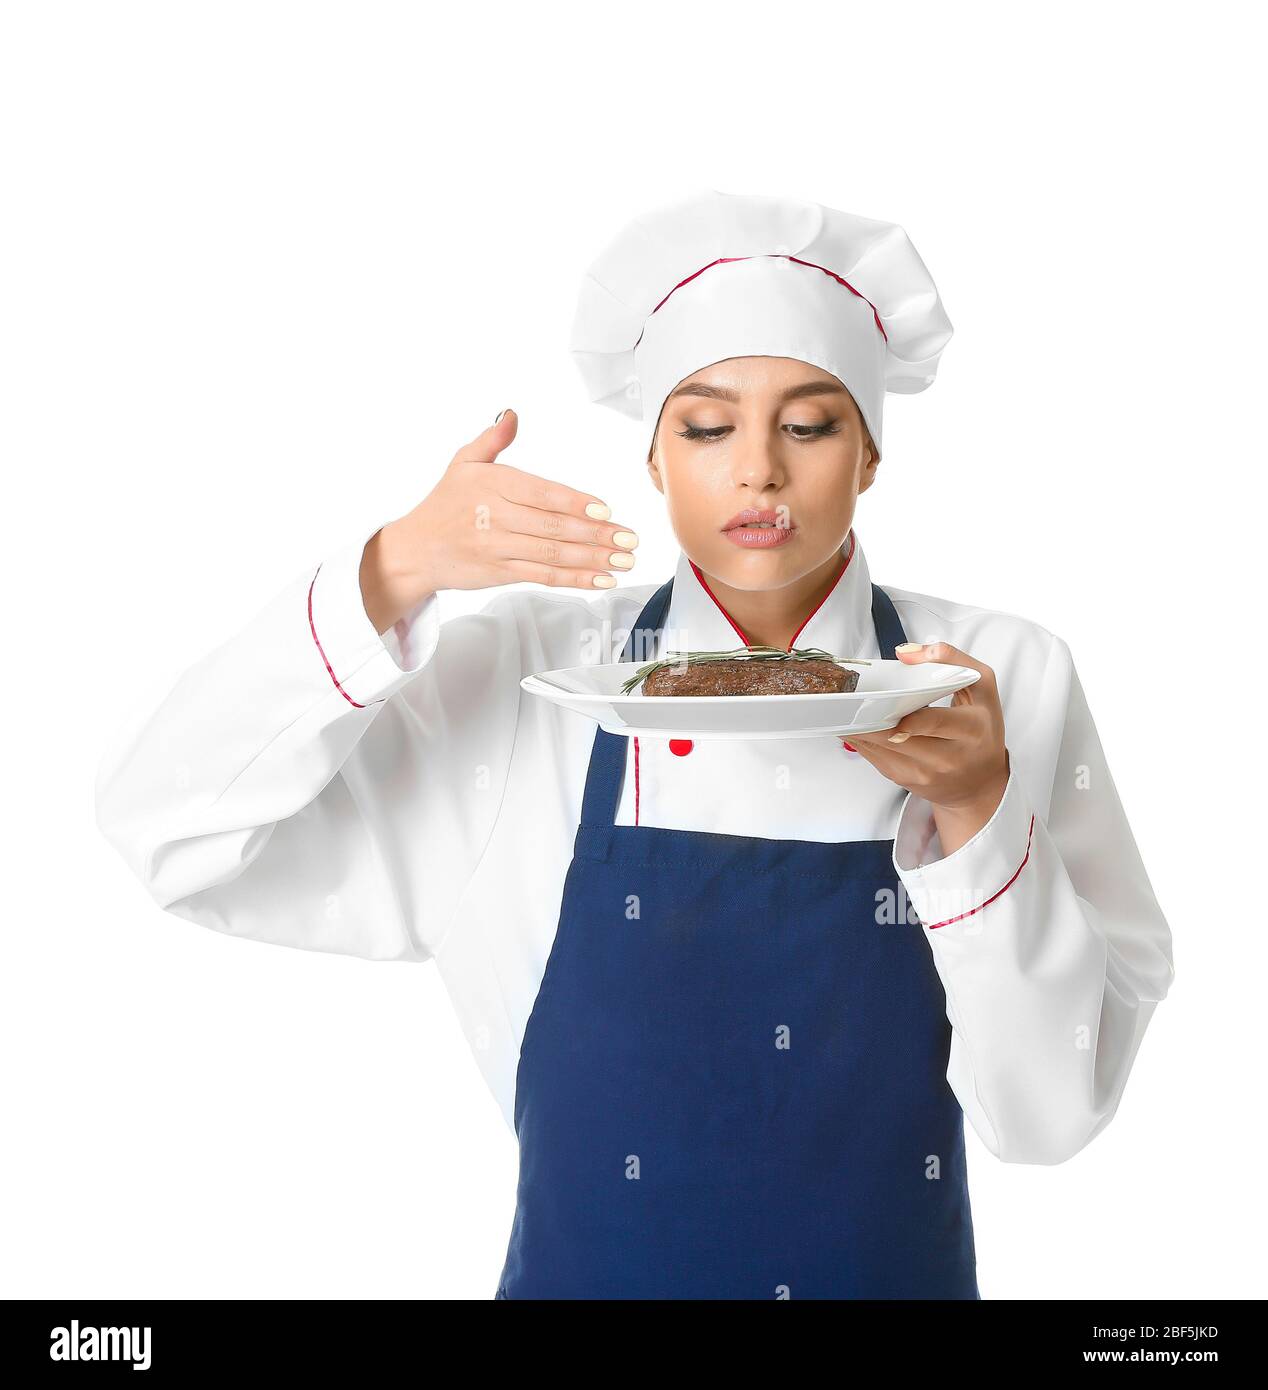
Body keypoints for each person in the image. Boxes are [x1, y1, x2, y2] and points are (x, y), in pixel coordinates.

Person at [96, 189, 1175, 1300]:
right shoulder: (534, 679)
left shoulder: (991, 677)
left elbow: (1052, 1117)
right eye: (705, 427)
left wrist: (980, 814)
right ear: (654, 460)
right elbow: (171, 832)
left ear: (870, 457)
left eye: (809, 424)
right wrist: (390, 572)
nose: (757, 468)